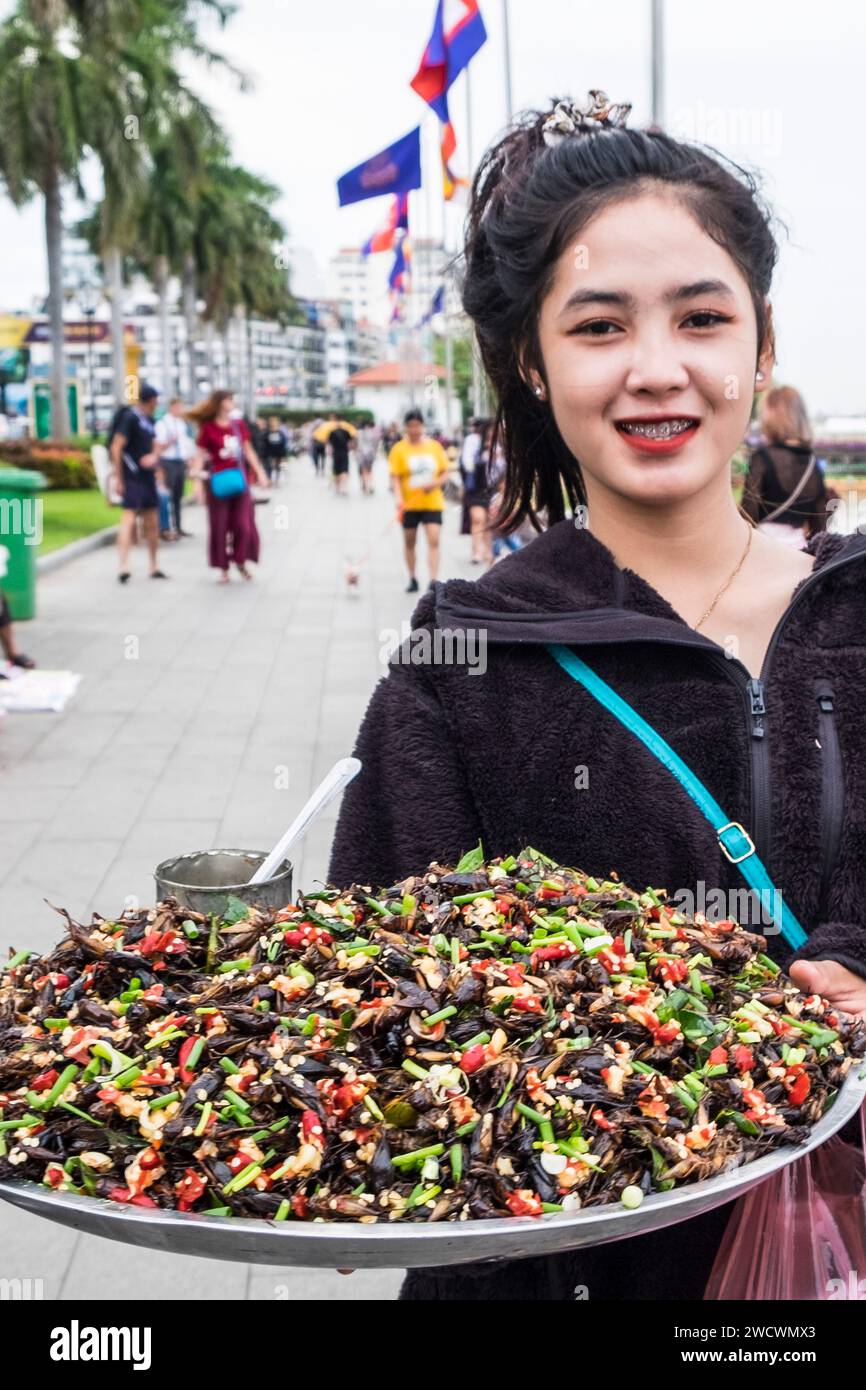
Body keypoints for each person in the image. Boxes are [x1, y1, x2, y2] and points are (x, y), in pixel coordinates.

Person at [328, 94, 866, 1301]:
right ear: (530, 359)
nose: (656, 369)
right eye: (598, 326)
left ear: (760, 342)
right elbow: (379, 999)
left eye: (700, 316)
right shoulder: (460, 663)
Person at [187, 390, 270, 584]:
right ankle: (223, 567)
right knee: (219, 526)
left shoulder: (238, 424)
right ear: (220, 402)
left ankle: (240, 560)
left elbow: (248, 451)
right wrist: (197, 484)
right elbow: (199, 457)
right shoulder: (208, 428)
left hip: (240, 482)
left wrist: (261, 473)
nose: (233, 402)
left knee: (244, 525)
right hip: (218, 484)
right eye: (229, 399)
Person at [740, 386, 828, 546]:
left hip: (764, 547)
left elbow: (748, 514)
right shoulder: (812, 464)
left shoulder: (762, 458)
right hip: (799, 551)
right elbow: (819, 524)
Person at [388, 409, 450, 593]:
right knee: (409, 541)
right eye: (410, 426)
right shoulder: (399, 449)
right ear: (405, 428)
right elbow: (396, 478)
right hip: (409, 504)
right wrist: (399, 500)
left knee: (434, 538)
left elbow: (445, 472)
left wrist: (435, 483)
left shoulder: (434, 447)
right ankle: (413, 577)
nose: (414, 430)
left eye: (417, 426)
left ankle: (433, 580)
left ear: (422, 426)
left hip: (432, 502)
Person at [109, 384, 167, 583]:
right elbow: (116, 447)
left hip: (147, 476)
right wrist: (119, 477)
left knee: (152, 520)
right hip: (131, 475)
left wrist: (155, 457)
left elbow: (154, 446)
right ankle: (123, 565)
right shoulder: (130, 418)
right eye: (156, 399)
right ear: (150, 400)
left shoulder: (149, 420)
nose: (158, 403)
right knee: (129, 517)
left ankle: (154, 565)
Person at [156, 397, 197, 538]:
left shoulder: (181, 424)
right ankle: (165, 528)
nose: (181, 410)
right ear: (172, 407)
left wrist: (189, 459)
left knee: (178, 496)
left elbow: (185, 443)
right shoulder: (162, 424)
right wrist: (170, 441)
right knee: (167, 496)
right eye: (178, 407)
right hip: (168, 462)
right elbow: (159, 446)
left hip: (180, 462)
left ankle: (178, 527)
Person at [459, 416, 493, 565]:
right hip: (477, 485)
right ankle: (477, 550)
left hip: (492, 485)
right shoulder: (472, 440)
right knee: (477, 518)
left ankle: (487, 549)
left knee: (489, 519)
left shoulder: (497, 441)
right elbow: (467, 463)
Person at [327, 413, 354, 496]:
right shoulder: (347, 432)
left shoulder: (332, 432)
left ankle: (338, 487)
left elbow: (329, 444)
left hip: (336, 454)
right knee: (344, 471)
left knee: (337, 471)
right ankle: (344, 488)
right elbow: (350, 443)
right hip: (344, 453)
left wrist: (329, 452)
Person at [262, 415, 289, 484]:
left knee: (277, 466)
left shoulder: (280, 433)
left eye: (275, 422)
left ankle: (276, 478)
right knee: (269, 465)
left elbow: (284, 442)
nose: (273, 424)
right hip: (269, 451)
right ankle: (269, 478)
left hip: (278, 452)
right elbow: (264, 441)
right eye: (272, 422)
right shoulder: (267, 432)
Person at [356, 421, 378, 495]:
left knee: (364, 471)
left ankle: (366, 487)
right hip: (370, 454)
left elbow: (357, 444)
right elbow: (375, 444)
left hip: (361, 454)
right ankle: (370, 485)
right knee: (369, 471)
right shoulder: (372, 433)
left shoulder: (358, 433)